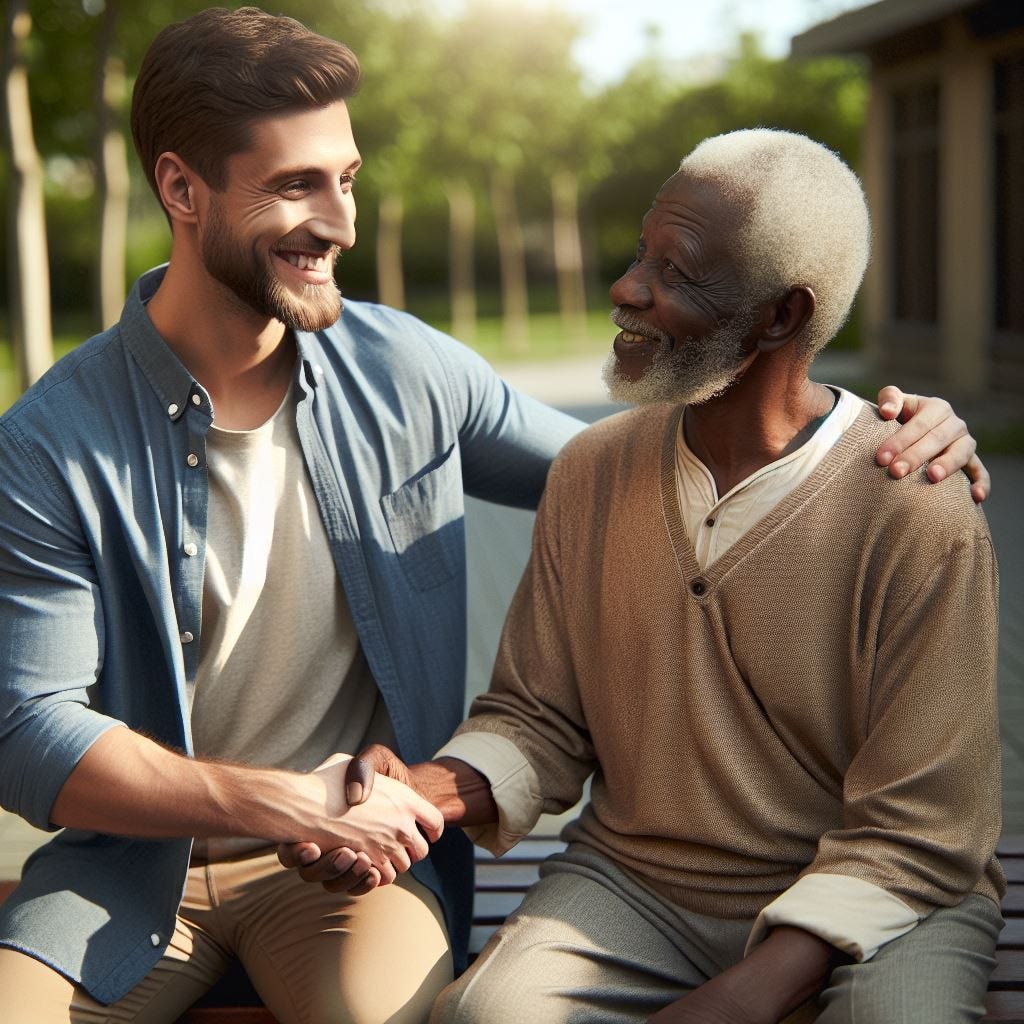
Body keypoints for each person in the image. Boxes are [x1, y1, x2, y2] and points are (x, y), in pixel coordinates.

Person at [0, 4, 988, 1021]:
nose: (341, 221)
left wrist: (885, 433)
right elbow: (27, 731)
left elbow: (659, 476)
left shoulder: (411, 372)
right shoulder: (48, 441)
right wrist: (296, 796)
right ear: (180, 188)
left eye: (346, 178)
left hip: (359, 868)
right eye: (297, 184)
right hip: (133, 876)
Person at [307, 130, 1003, 1024]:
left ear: (782, 316)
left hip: (890, 898)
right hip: (638, 884)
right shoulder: (593, 470)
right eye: (642, 252)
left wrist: (744, 994)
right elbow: (539, 718)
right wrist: (422, 788)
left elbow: (924, 829)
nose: (627, 288)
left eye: (676, 272)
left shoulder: (915, 503)